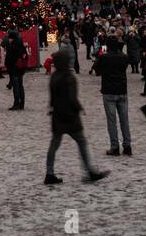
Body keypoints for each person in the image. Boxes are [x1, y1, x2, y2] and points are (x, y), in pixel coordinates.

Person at [44, 48, 109, 185]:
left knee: (54, 145)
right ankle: (90, 171)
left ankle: (49, 173)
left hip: (58, 116)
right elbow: (72, 98)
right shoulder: (69, 77)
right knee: (82, 142)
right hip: (70, 116)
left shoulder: (54, 77)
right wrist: (79, 108)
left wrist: (52, 108)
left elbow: (52, 97)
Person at [95, 39, 132, 156]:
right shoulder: (124, 57)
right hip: (122, 90)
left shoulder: (104, 57)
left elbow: (97, 69)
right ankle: (127, 145)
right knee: (124, 120)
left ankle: (115, 147)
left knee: (112, 121)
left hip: (109, 91)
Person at [2, 29, 27, 110]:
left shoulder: (12, 46)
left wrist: (8, 65)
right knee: (20, 86)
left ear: (12, 38)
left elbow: (10, 59)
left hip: (14, 69)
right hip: (21, 69)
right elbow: (25, 57)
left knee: (16, 87)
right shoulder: (21, 45)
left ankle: (16, 104)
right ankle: (22, 104)